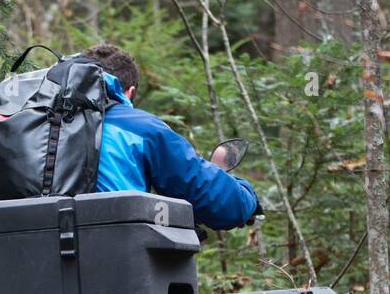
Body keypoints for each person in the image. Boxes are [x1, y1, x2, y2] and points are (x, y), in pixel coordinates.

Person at [81, 43, 260, 232]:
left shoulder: (49, 120)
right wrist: (247, 199)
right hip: (114, 252)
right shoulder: (141, 128)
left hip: (49, 254)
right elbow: (205, 192)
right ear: (130, 91)